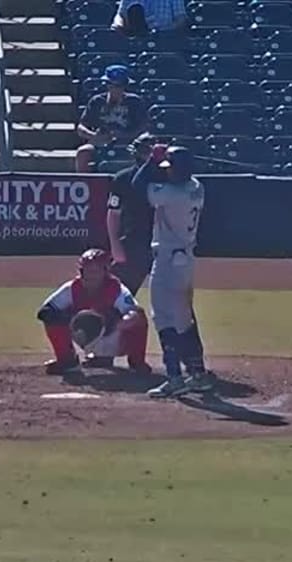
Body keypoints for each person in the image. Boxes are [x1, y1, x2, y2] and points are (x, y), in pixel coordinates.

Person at [132, 144, 210, 398]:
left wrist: (152, 160)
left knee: (163, 318)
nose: (167, 172)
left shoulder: (170, 194)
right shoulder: (196, 187)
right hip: (185, 260)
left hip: (167, 261)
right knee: (183, 320)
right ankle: (197, 373)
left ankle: (175, 377)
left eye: (171, 169)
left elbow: (137, 186)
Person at [36, 248, 152, 375]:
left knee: (139, 319)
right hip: (83, 337)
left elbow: (135, 313)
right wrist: (72, 320)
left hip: (114, 340)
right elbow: (45, 311)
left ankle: (137, 363)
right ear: (81, 271)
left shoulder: (116, 289)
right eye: (88, 270)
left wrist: (115, 324)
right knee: (52, 319)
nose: (91, 275)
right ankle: (67, 361)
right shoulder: (71, 288)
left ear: (105, 272)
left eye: (96, 271)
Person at [107, 133, 157, 299]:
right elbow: (113, 213)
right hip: (133, 242)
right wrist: (115, 245)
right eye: (145, 150)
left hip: (163, 242)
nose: (148, 155)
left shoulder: (168, 178)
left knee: (171, 295)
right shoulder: (123, 178)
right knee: (118, 295)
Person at [74, 65, 147, 173]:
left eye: (120, 85)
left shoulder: (135, 102)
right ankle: (85, 181)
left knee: (145, 154)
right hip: (101, 144)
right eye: (112, 85)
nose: (116, 89)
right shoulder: (97, 101)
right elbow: (81, 127)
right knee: (83, 152)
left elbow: (144, 127)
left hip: (129, 144)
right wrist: (94, 136)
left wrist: (125, 135)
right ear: (107, 85)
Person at [112, 0, 187, 35]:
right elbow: (120, 15)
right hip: (135, 36)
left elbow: (180, 19)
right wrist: (118, 25)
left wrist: (167, 30)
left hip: (164, 38)